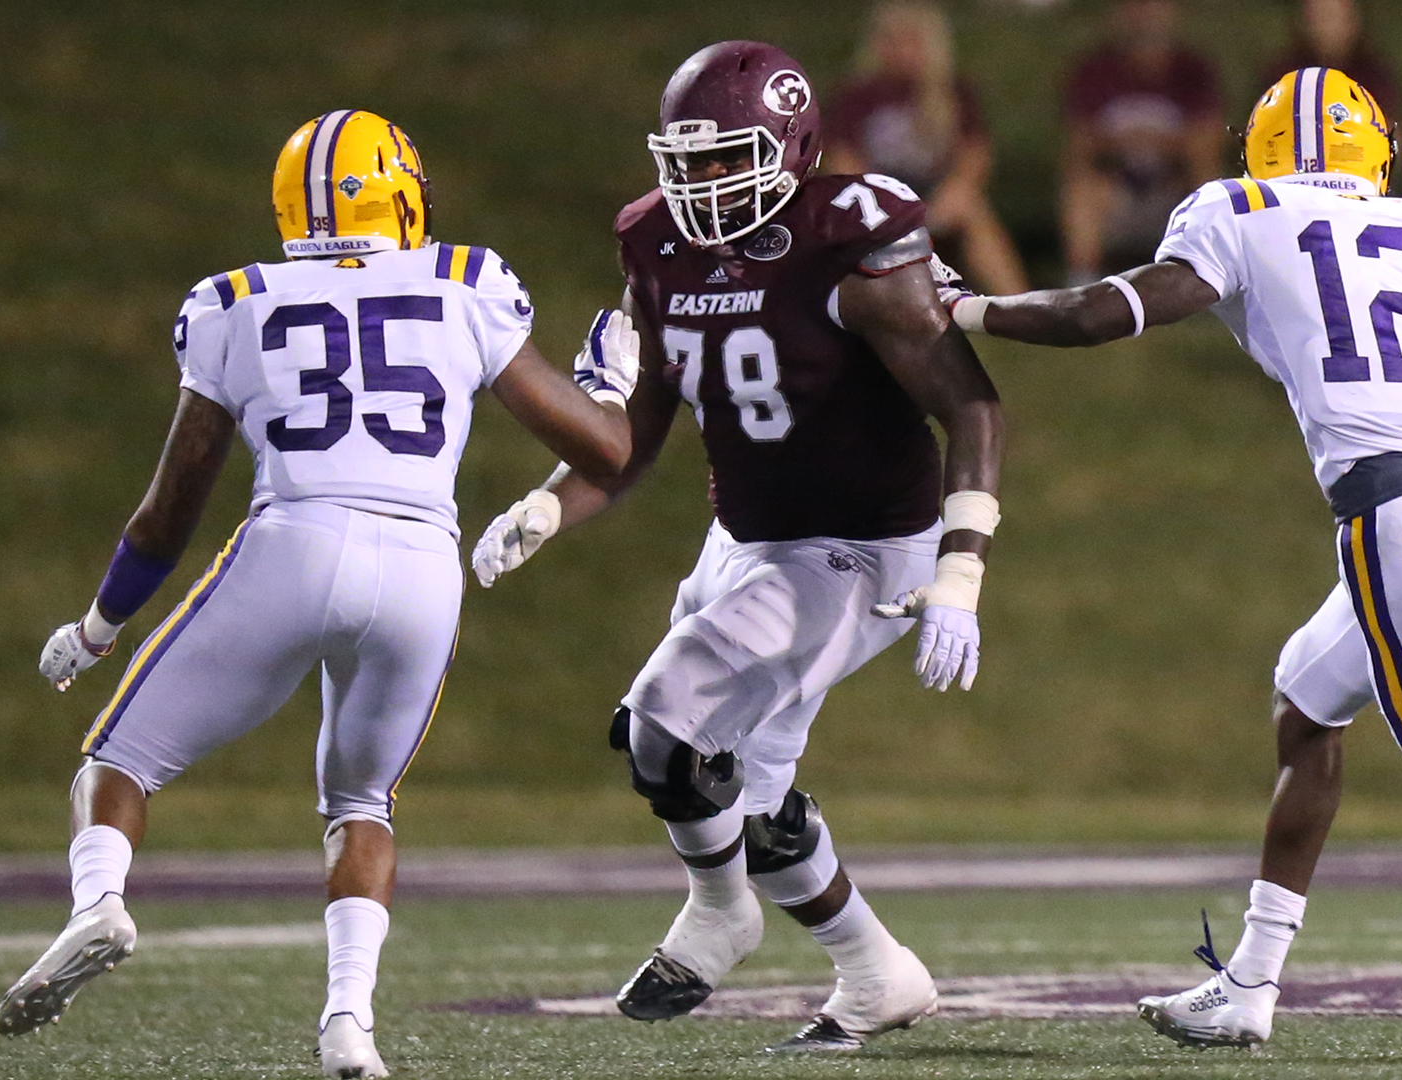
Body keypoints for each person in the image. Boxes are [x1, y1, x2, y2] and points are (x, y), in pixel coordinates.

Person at [934, 68, 1402, 1049]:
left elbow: (1097, 314)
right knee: (1305, 701)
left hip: (1395, 523)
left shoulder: (1237, 211)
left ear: (1263, 151)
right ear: (1379, 151)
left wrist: (967, 308)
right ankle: (1250, 984)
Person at [0, 110, 636, 1078]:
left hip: (293, 540)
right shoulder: (464, 283)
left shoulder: (234, 301)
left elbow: (170, 508)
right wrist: (613, 388)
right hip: (424, 563)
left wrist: (97, 627)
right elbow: (601, 451)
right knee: (363, 801)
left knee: (115, 762)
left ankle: (101, 907)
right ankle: (349, 1025)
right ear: (403, 194)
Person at [471, 41, 1005, 1053]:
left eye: (725, 158)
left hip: (858, 549)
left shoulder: (854, 236)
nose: (701, 184)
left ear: (791, 145)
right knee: (748, 802)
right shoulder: (658, 247)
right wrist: (549, 504)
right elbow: (637, 430)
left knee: (663, 736)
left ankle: (719, 913)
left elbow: (972, 406)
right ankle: (876, 972)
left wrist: (963, 565)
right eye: (686, 160)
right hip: (747, 536)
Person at [827, 0, 1027, 295]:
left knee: (972, 209)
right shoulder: (856, 96)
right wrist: (880, 205)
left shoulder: (954, 92)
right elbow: (842, 159)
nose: (901, 50)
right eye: (892, 39)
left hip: (934, 194)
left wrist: (956, 191)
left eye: (911, 40)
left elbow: (975, 154)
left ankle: (1016, 301)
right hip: (879, 197)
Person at [1059, 0, 1222, 284]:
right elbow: (1078, 147)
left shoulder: (1194, 71)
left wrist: (1152, 143)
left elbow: (1208, 143)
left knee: (1209, 184)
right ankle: (1081, 288)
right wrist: (1121, 145)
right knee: (1080, 188)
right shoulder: (1094, 70)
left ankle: (1213, 282)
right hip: (1116, 189)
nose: (1145, 16)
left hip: (1175, 190)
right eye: (1135, 7)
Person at [1261, 0, 1397, 118]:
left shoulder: (1374, 77)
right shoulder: (1284, 75)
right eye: (1318, 16)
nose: (1325, 25)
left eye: (1332, 15)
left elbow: (1391, 132)